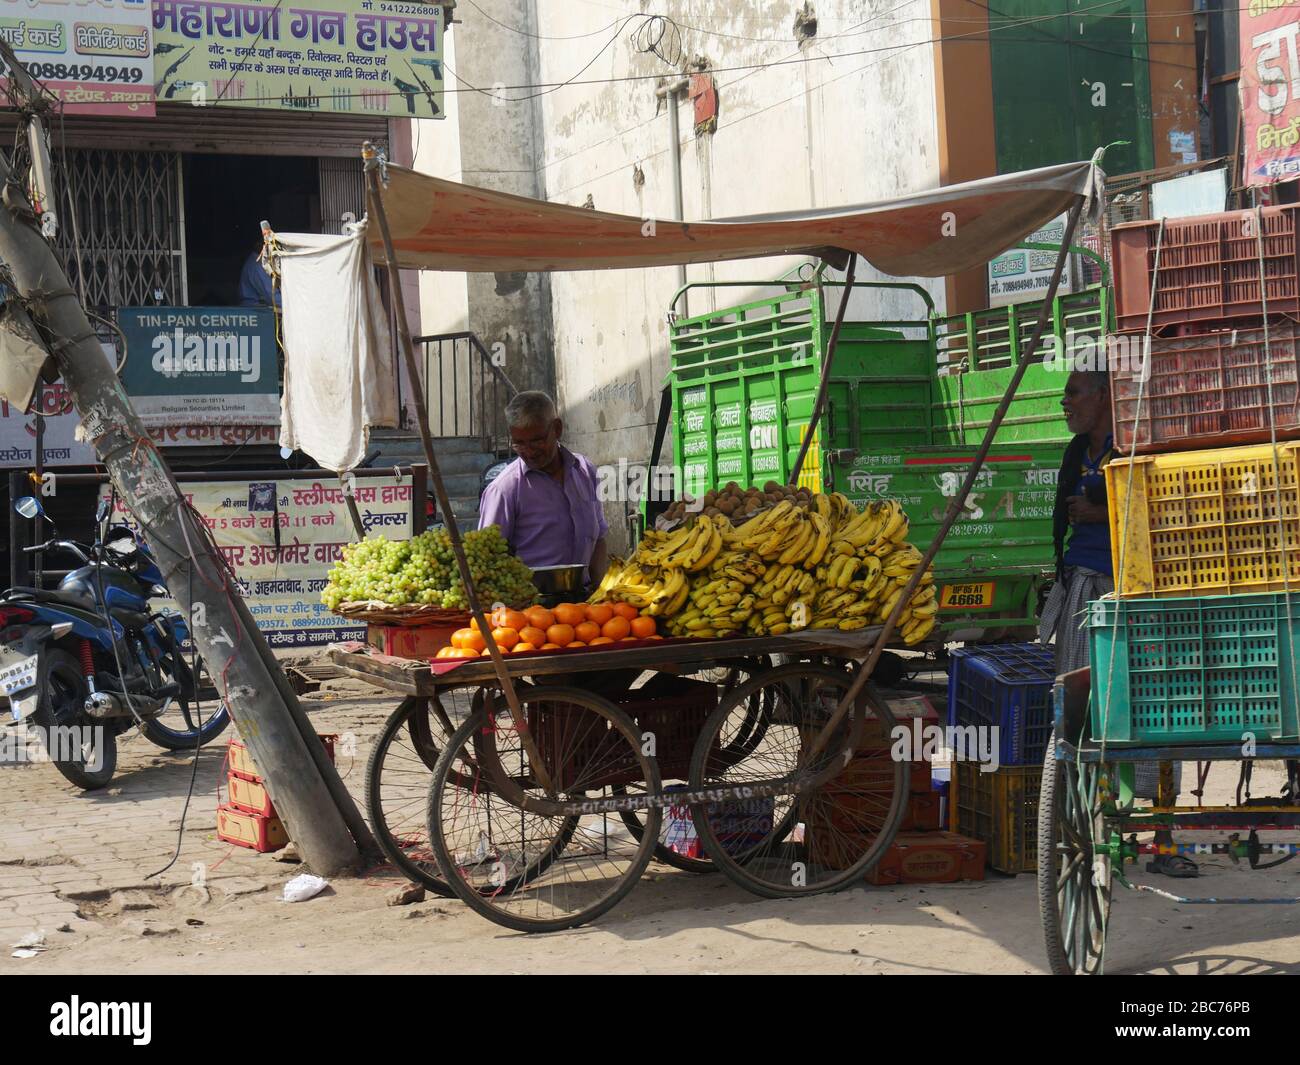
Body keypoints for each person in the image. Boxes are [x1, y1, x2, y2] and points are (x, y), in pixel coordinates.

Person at [1039, 370, 1193, 877]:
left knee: (1154, 707)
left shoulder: (1136, 446)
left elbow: (1163, 511)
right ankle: (1090, 828)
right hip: (1084, 586)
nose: (1064, 403)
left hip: (1137, 590)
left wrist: (1100, 513)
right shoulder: (1074, 453)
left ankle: (1164, 835)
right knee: (1081, 715)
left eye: (1072, 393)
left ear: (1104, 397)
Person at [478, 390, 610, 587]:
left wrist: (602, 594)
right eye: (519, 443)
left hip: (586, 605)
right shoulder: (504, 489)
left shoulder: (585, 471)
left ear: (557, 429)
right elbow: (485, 560)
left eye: (536, 441)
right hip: (532, 610)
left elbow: (598, 537)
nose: (529, 452)